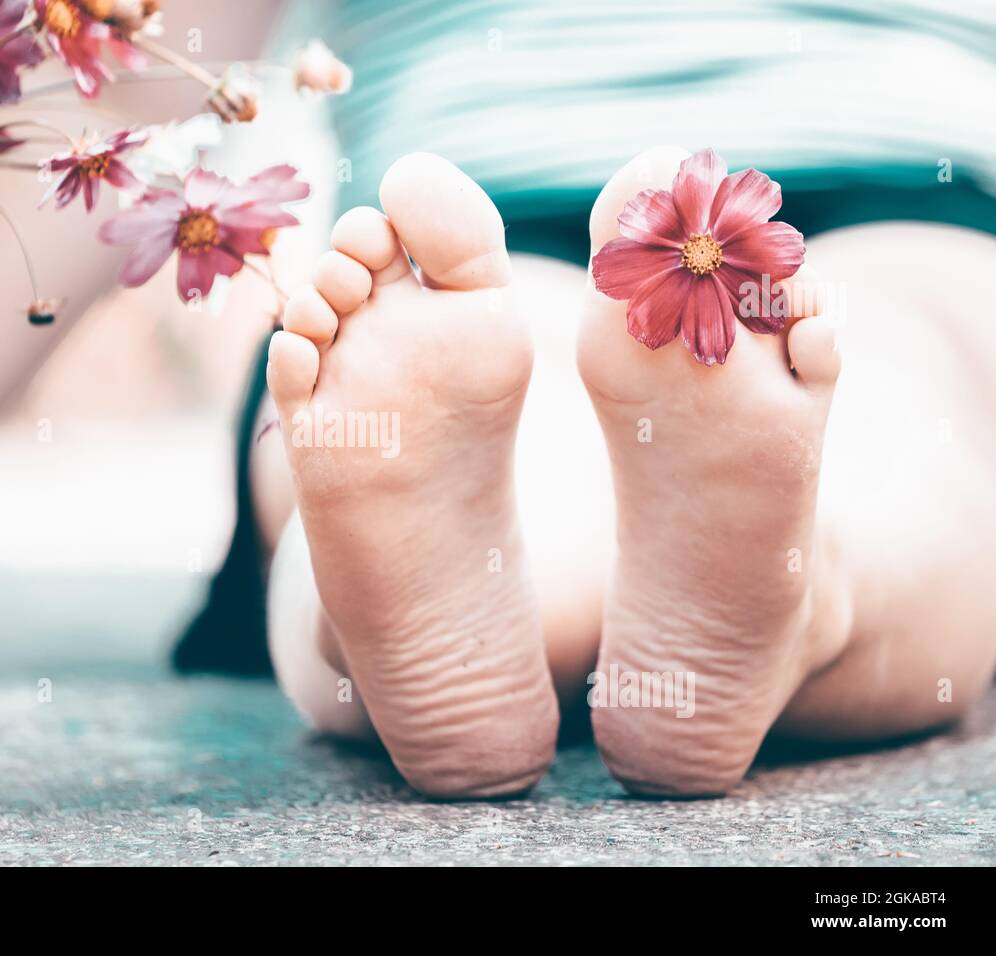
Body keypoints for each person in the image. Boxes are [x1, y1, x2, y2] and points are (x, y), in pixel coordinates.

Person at [175, 0, 996, 797]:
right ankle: (800, 606)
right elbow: (128, 56)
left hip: (469, 191)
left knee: (506, 457)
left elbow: (137, 70)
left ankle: (424, 633)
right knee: (897, 418)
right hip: (908, 172)